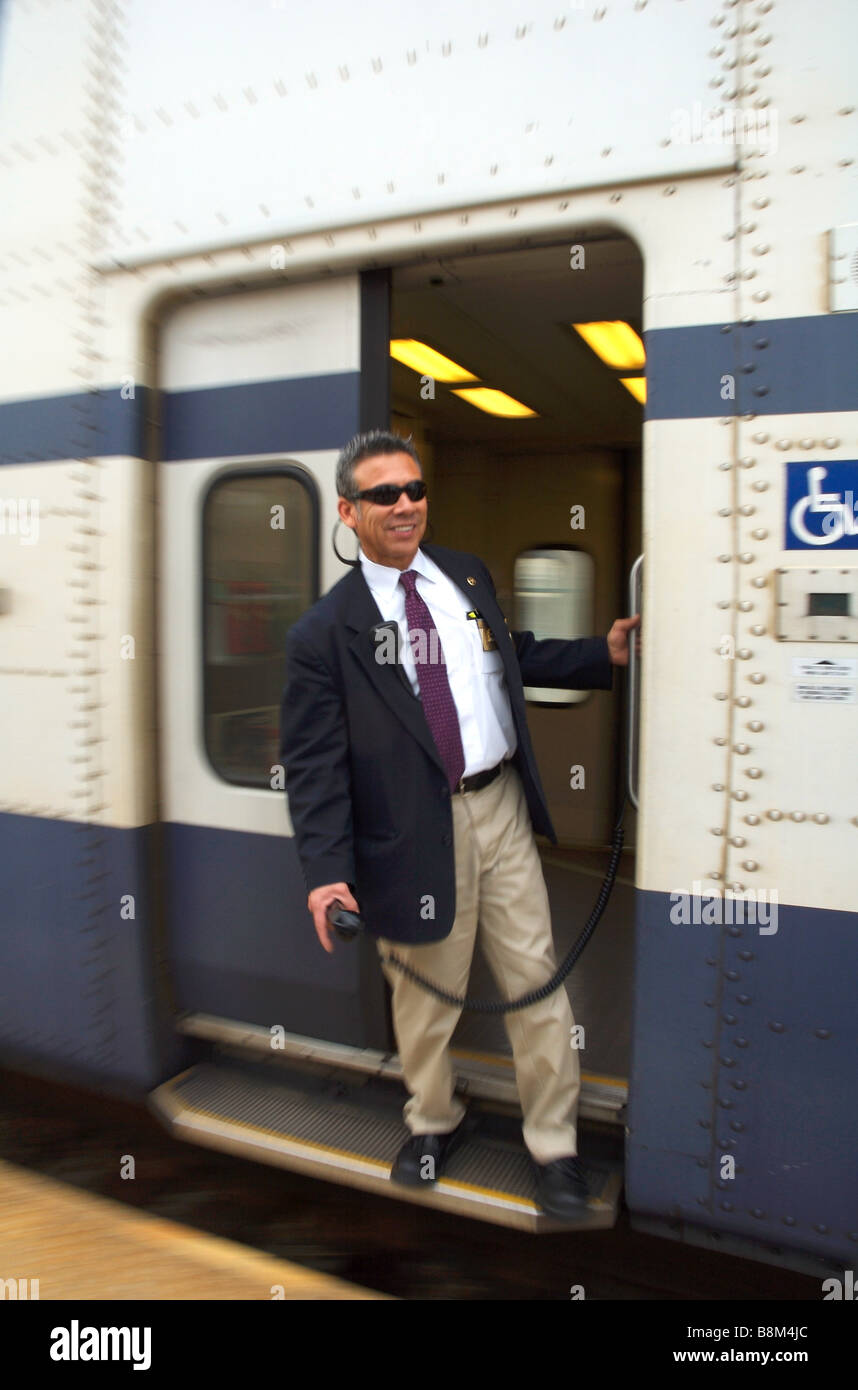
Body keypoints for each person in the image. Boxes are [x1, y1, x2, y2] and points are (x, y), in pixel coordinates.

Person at [279, 429, 640, 1217]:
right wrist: (326, 872)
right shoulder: (322, 637)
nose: (406, 505)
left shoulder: (464, 575)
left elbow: (510, 655)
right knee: (428, 997)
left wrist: (598, 656)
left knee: (538, 981)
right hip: (408, 830)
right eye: (384, 495)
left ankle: (556, 1146)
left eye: (414, 490)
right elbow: (313, 769)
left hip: (498, 807)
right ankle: (433, 1120)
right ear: (348, 510)